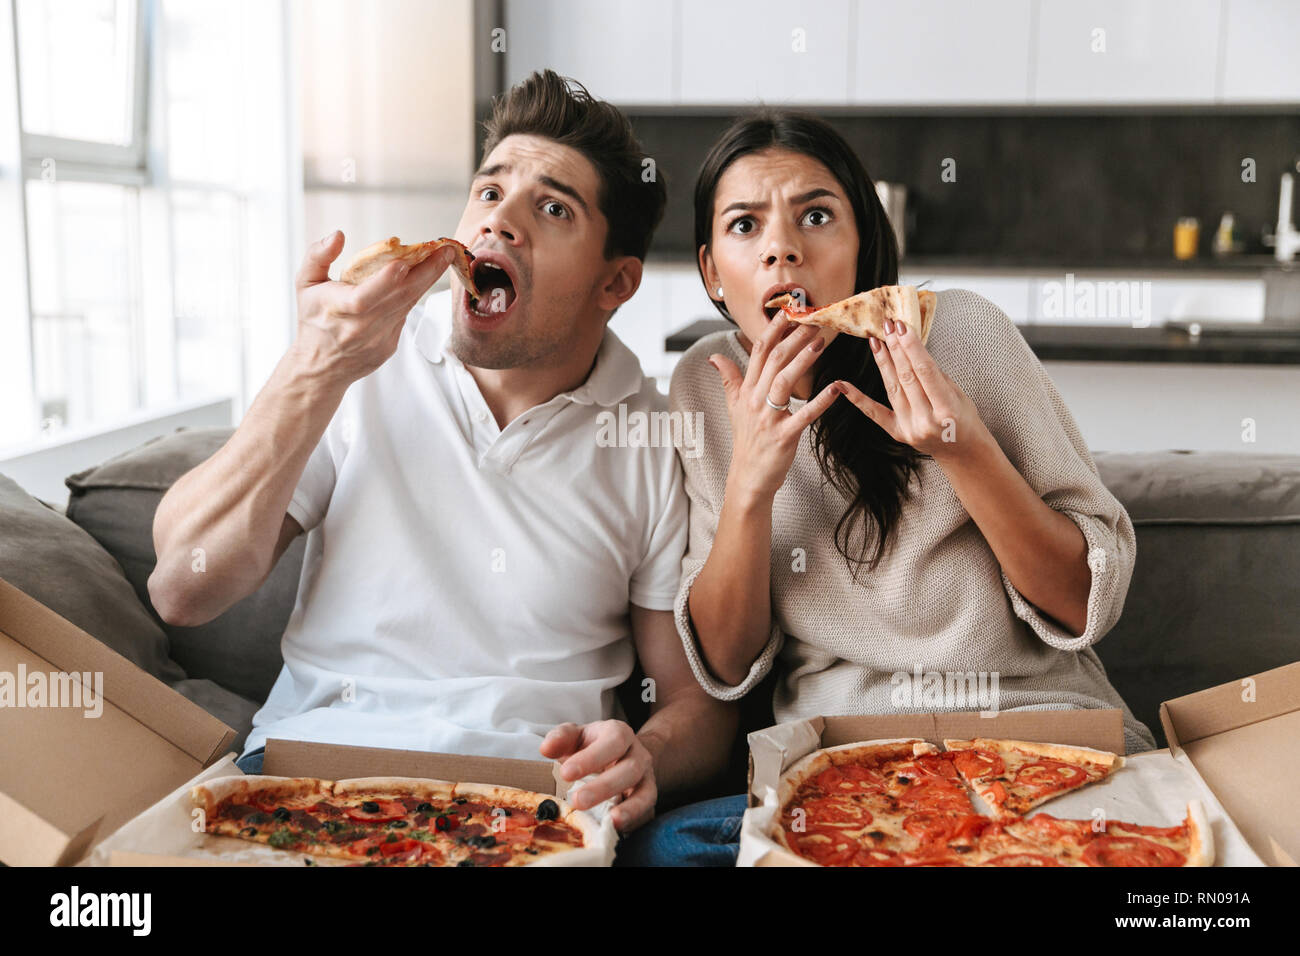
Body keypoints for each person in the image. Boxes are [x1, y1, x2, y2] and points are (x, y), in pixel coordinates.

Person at [147, 70, 736, 837]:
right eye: (489, 193)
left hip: (531, 805)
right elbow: (180, 590)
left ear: (614, 282)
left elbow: (694, 704)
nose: (500, 223)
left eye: (551, 207)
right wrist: (316, 363)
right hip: (312, 775)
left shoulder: (652, 434)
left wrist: (643, 755)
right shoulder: (361, 361)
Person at [615, 110, 1156, 865]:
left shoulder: (963, 334)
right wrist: (750, 486)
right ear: (712, 271)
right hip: (837, 764)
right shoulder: (706, 386)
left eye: (816, 215)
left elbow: (1081, 603)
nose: (782, 247)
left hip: (1033, 731)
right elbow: (728, 666)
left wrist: (964, 452)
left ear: (862, 243)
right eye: (746, 226)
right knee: (662, 850)